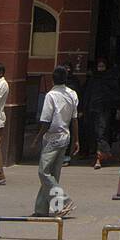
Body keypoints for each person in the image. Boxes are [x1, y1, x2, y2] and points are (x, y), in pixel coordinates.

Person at [33, 66, 79, 218]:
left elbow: (45, 121)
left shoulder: (51, 95)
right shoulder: (72, 94)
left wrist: (36, 138)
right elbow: (74, 120)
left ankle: (63, 202)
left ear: (53, 79)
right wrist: (76, 140)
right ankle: (41, 208)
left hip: (52, 138)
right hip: (65, 137)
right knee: (52, 175)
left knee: (43, 172)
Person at [80, 57, 120, 169]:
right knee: (94, 133)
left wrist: (117, 108)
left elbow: (115, 95)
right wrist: (83, 109)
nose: (100, 69)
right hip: (92, 110)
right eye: (99, 66)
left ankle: (99, 158)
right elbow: (87, 95)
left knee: (101, 132)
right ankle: (102, 154)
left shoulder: (110, 80)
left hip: (105, 110)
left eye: (103, 66)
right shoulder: (92, 80)